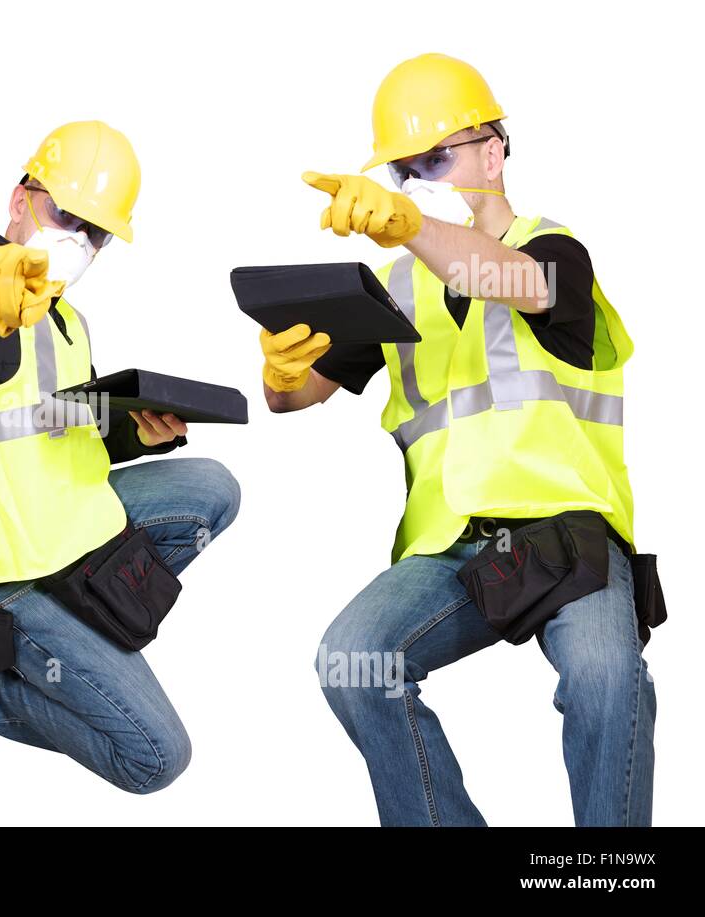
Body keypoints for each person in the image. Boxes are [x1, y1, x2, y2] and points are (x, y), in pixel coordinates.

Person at [262, 54, 654, 825]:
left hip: (569, 530)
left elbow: (511, 282)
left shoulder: (552, 252)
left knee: (608, 676)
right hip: (451, 546)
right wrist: (281, 371)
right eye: (407, 171)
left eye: (436, 157)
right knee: (353, 660)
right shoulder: (399, 285)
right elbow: (299, 395)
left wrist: (412, 226)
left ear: (493, 151)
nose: (420, 181)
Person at [0, 121, 240, 793]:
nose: (76, 239)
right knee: (156, 758)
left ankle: (87, 620)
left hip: (65, 530)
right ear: (20, 199)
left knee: (214, 487)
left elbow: (71, 434)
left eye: (94, 231)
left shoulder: (66, 320)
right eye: (64, 213)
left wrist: (139, 434)